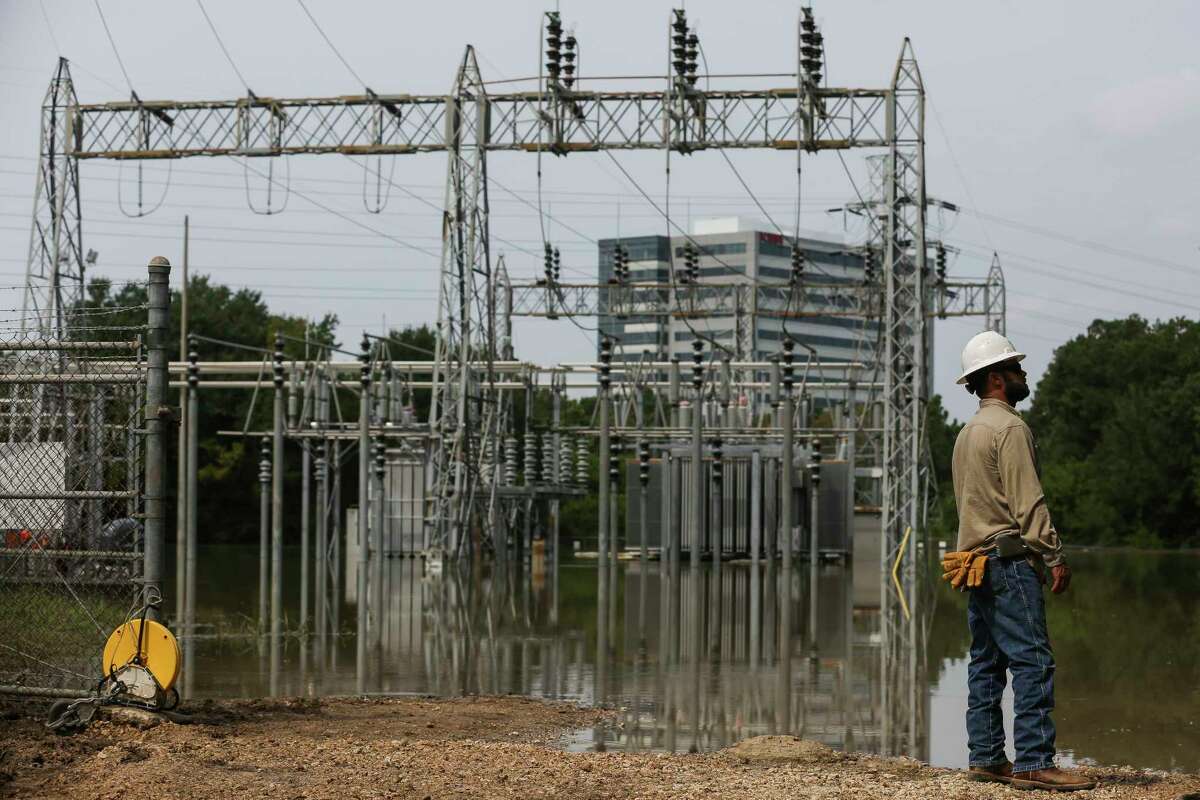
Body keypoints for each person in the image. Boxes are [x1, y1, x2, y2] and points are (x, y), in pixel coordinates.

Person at [950, 331, 1094, 792]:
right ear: (997, 379)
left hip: (974, 563)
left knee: (985, 664)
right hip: (1009, 562)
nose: (1023, 373)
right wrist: (1054, 556)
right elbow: (1028, 503)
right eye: (1015, 368)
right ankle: (1034, 762)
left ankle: (987, 757)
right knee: (1033, 662)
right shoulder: (1010, 428)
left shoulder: (967, 433)